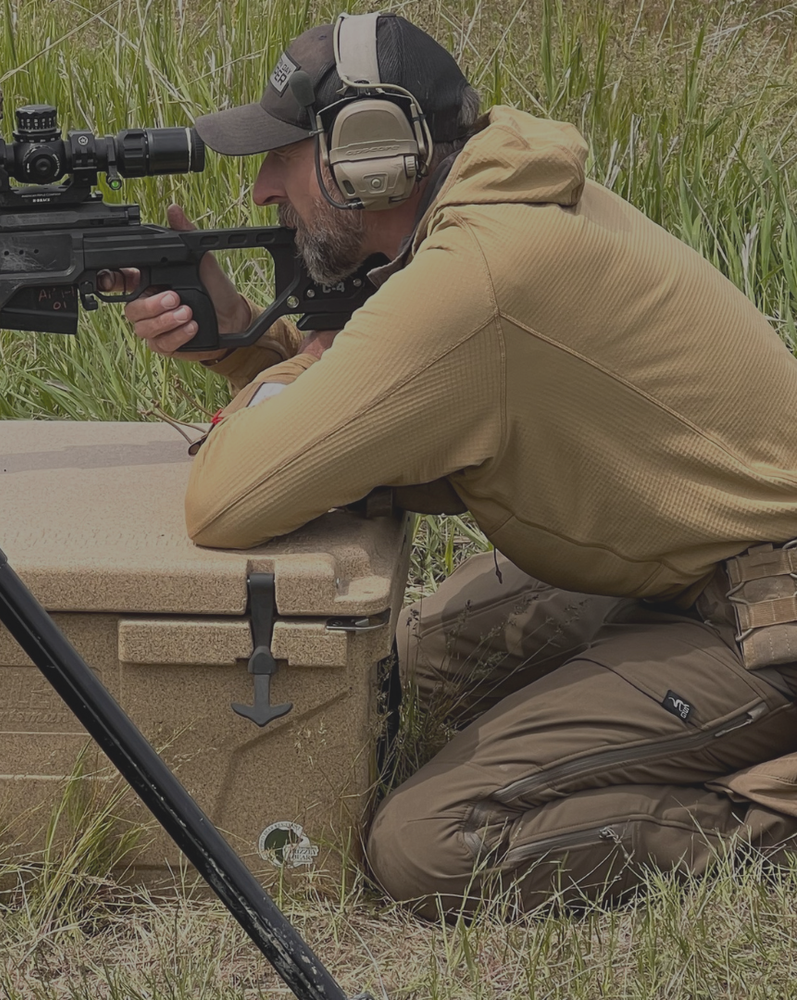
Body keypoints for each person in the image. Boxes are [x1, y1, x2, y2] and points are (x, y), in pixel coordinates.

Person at [100, 12, 797, 919]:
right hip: (677, 560)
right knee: (401, 678)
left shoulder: (476, 274)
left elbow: (228, 502)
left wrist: (289, 373)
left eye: (285, 154)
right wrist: (245, 344)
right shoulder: (490, 202)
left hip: (763, 612)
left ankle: (764, 817)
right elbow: (385, 404)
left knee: (429, 843)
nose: (265, 188)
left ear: (373, 150)